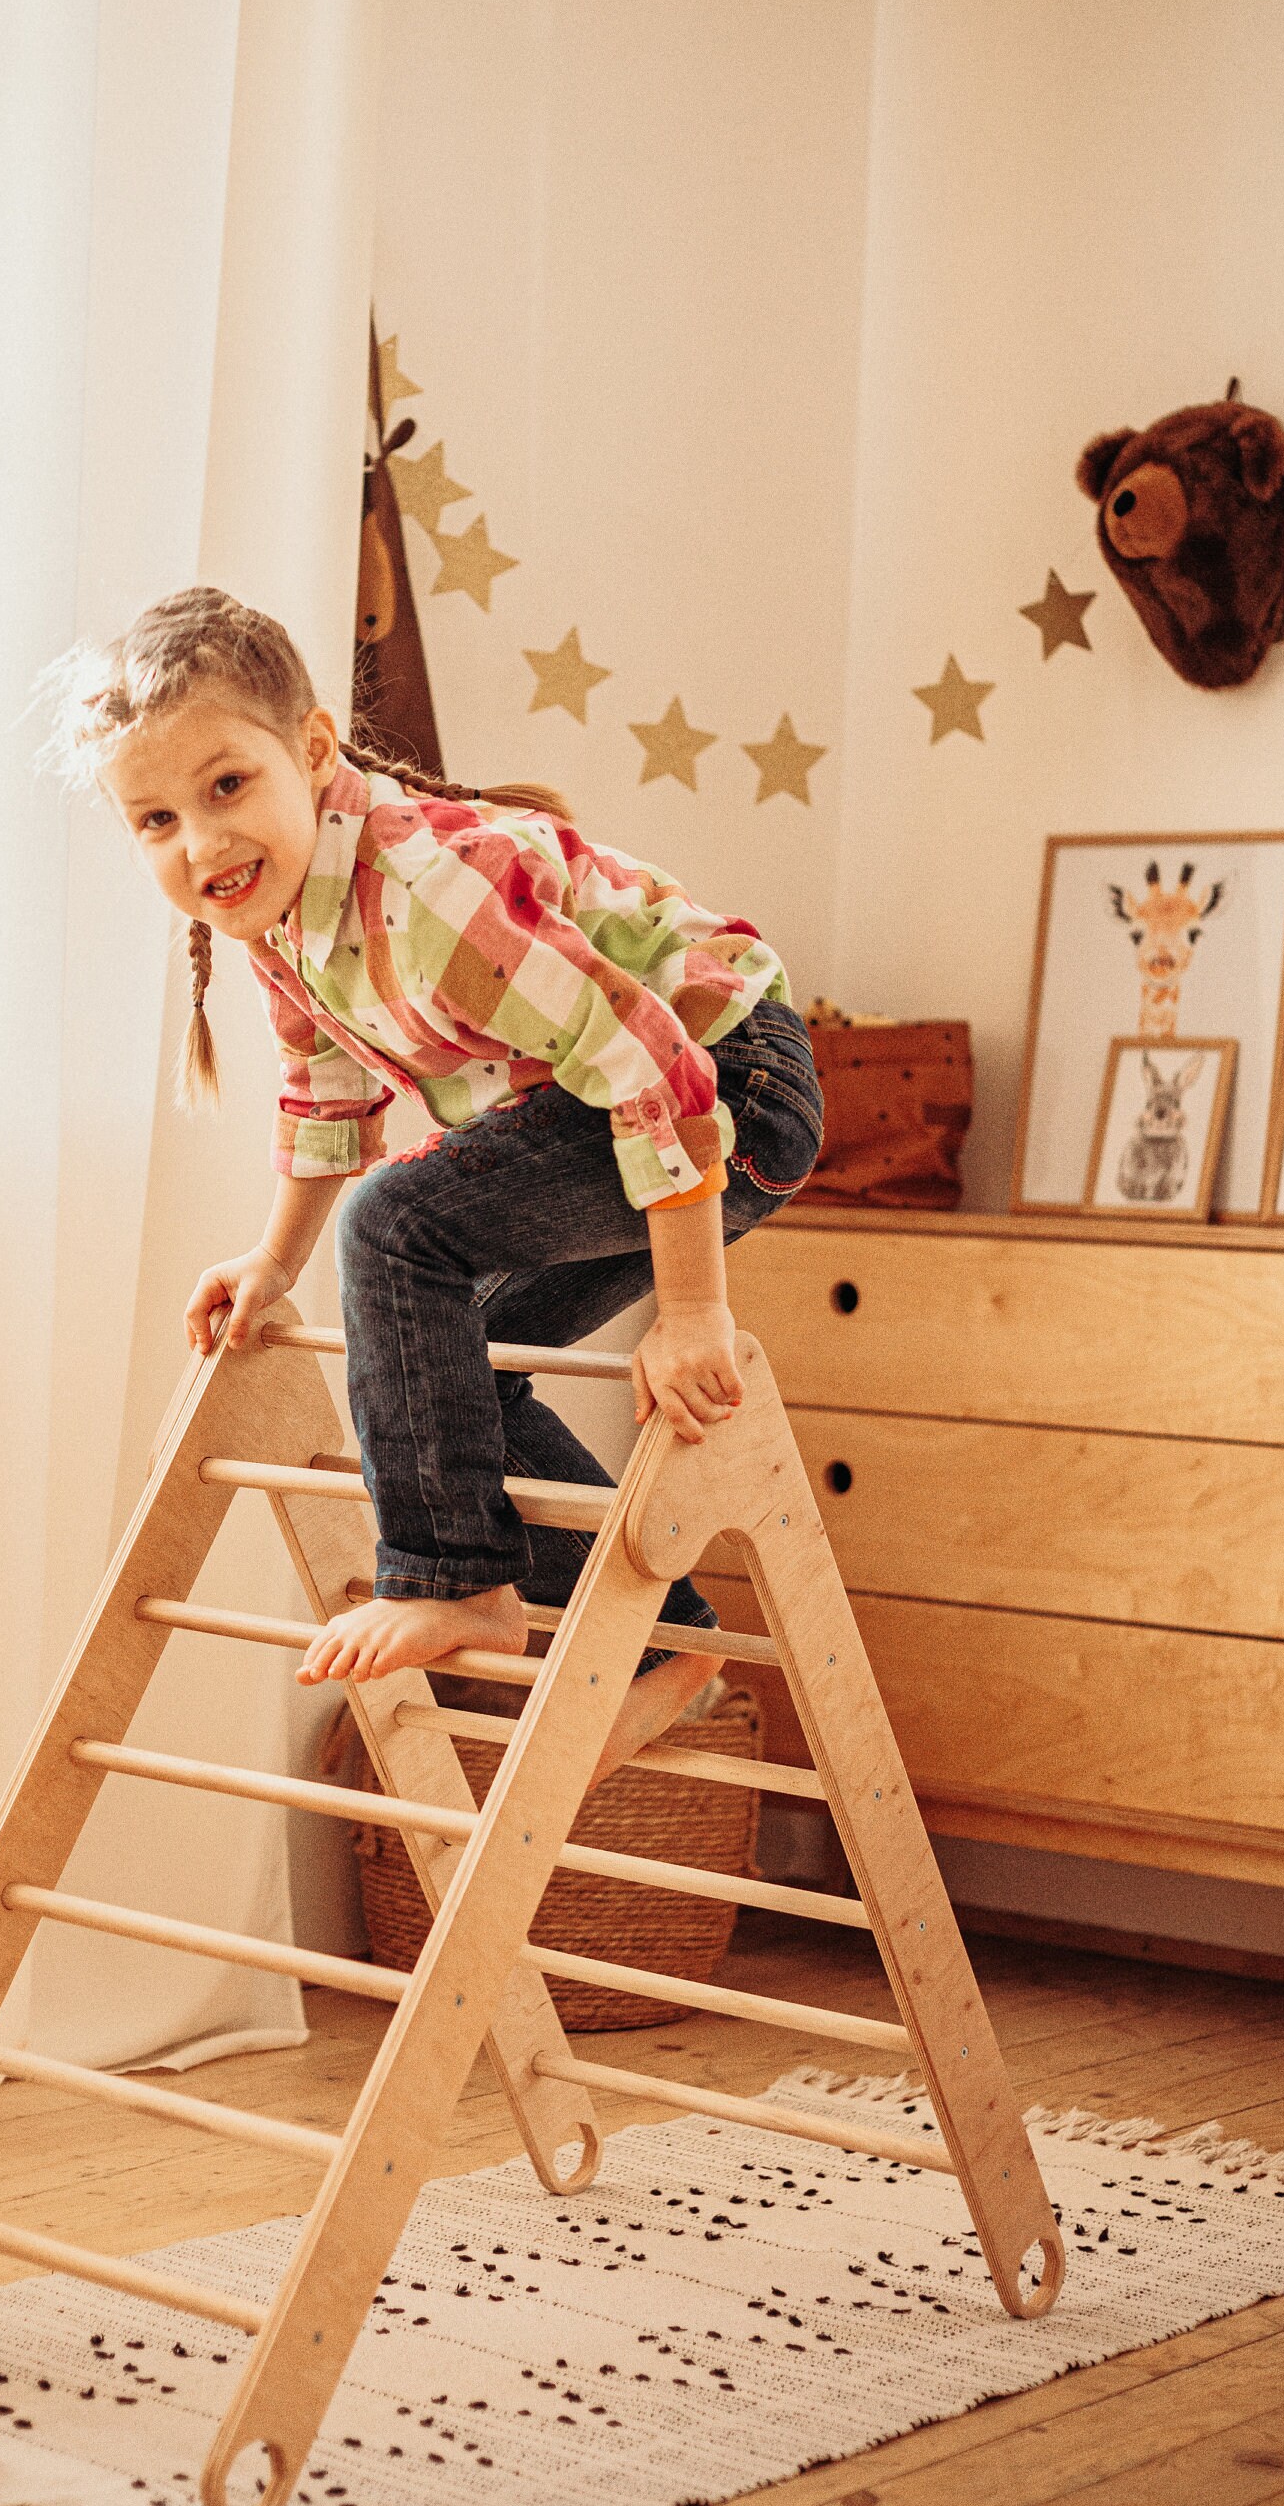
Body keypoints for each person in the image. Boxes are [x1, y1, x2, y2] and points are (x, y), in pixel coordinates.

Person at [46, 585, 823, 1781]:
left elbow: (651, 1067)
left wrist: (689, 1313)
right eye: (154, 819)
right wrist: (271, 1262)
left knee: (396, 1224)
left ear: (312, 750)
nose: (198, 844)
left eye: (226, 786)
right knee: (456, 1369)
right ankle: (669, 1647)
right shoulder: (281, 925)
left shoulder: (425, 889)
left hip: (728, 1083)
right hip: (623, 1112)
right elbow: (324, 1097)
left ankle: (456, 1582)